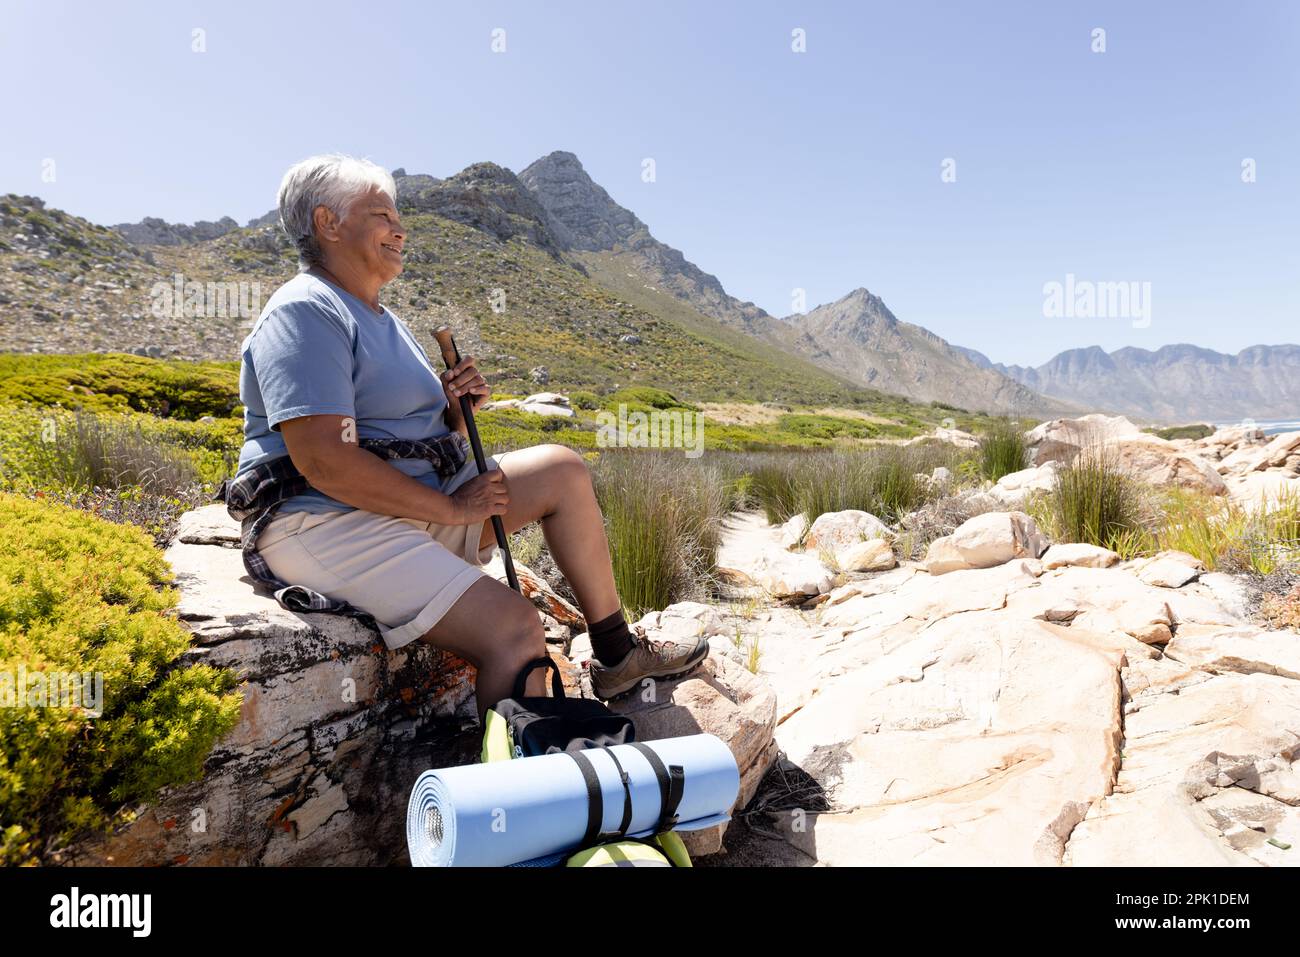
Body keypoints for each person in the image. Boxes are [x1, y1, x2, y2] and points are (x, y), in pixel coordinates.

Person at [226, 154, 708, 724]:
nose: (400, 228)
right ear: (328, 223)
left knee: (561, 469)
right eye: (381, 213)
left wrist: (456, 413)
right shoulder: (306, 310)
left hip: (405, 509)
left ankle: (616, 654)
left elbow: (406, 431)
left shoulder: (383, 318)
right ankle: (511, 802)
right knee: (514, 628)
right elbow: (326, 461)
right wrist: (452, 508)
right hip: (326, 520)